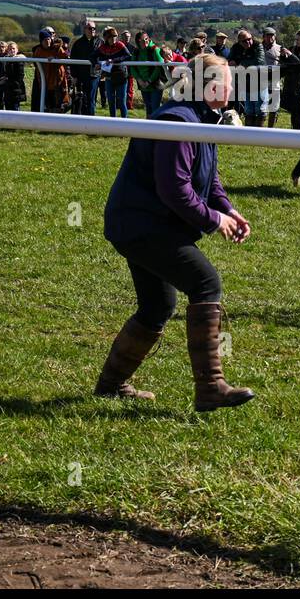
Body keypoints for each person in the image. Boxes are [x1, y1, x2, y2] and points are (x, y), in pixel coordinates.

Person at [95, 53, 255, 411]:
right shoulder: (177, 121)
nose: (232, 86)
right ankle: (211, 387)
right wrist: (215, 221)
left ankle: (110, 385)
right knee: (205, 283)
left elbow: (208, 176)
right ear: (212, 85)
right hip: (143, 225)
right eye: (228, 80)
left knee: (157, 305)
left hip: (143, 224)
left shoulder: (201, 118)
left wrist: (228, 208)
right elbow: (175, 190)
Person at [229, 29, 265, 126]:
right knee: (248, 110)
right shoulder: (235, 47)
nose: (248, 41)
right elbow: (230, 60)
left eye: (249, 39)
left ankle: (259, 135)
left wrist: (240, 63)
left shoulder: (258, 45)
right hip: (244, 83)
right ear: (239, 42)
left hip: (259, 83)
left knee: (260, 110)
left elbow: (259, 62)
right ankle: (249, 135)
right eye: (244, 41)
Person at [95, 27, 133, 117]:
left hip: (121, 77)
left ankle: (125, 122)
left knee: (121, 101)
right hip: (109, 77)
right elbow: (92, 56)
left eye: (115, 37)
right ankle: (113, 122)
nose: (114, 39)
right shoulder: (103, 47)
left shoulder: (120, 45)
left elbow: (128, 56)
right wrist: (95, 63)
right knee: (111, 101)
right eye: (111, 38)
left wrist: (114, 60)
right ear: (106, 38)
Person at [132, 30, 167, 114]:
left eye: (146, 39)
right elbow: (132, 67)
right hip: (143, 84)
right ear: (137, 41)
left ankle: (157, 126)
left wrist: (149, 81)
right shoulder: (136, 51)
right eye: (142, 40)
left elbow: (159, 67)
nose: (145, 41)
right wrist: (139, 80)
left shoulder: (155, 49)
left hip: (156, 84)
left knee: (155, 108)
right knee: (148, 108)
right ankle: (148, 126)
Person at [70, 20, 100, 115]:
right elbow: (73, 60)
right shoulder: (78, 43)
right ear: (85, 29)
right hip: (81, 76)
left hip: (94, 76)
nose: (92, 30)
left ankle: (91, 122)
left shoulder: (100, 42)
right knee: (81, 99)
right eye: (90, 28)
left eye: (94, 28)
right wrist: (74, 76)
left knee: (91, 100)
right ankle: (81, 122)